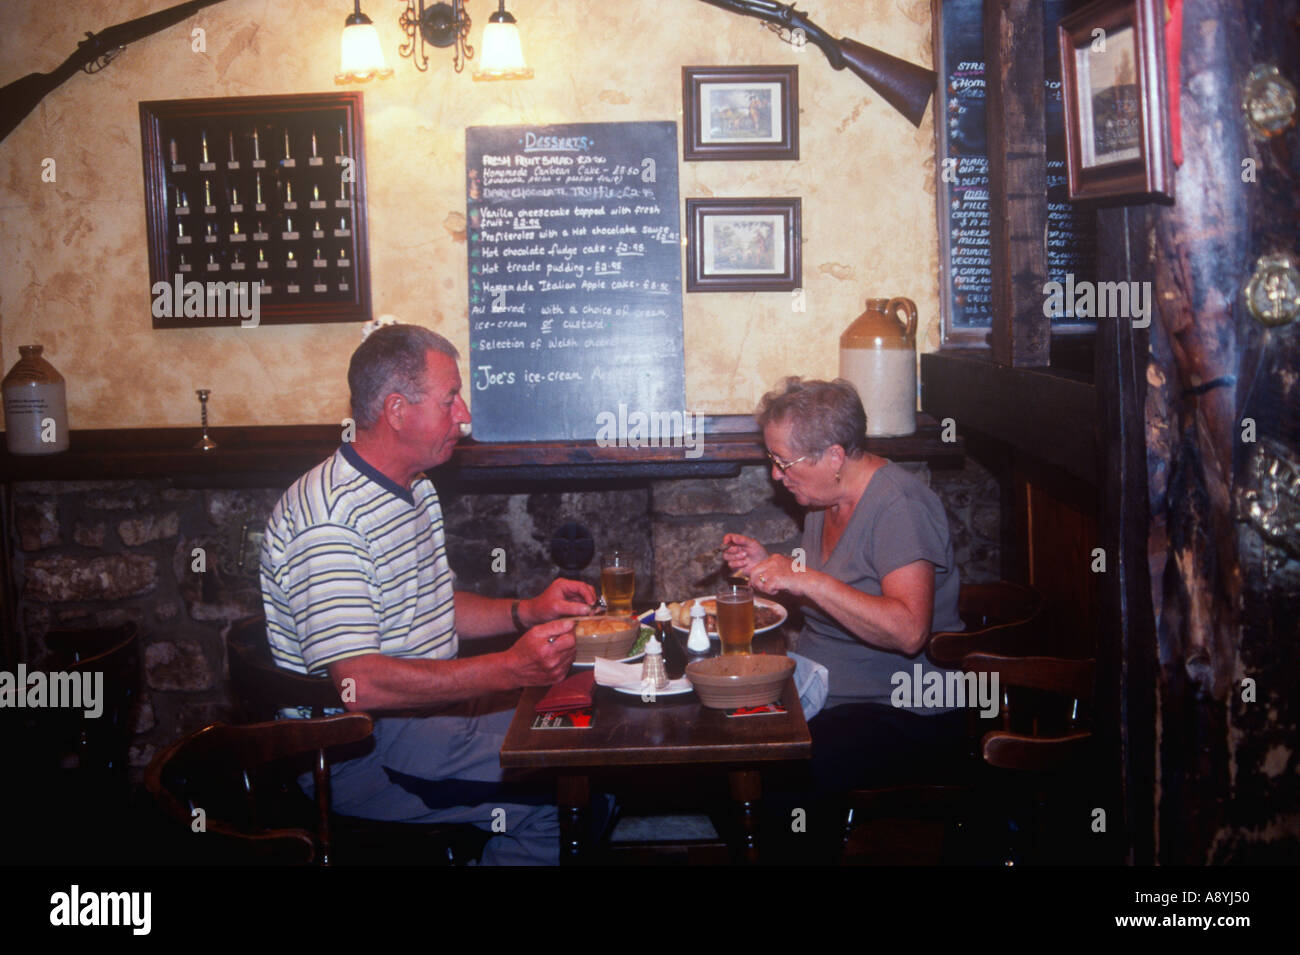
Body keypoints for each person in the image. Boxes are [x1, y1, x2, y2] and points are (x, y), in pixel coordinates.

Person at [259, 323, 596, 865]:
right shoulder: (330, 521)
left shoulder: (413, 487)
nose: (464, 416)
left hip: (427, 720)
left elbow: (430, 606)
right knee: (570, 797)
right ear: (397, 410)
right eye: (450, 399)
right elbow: (359, 686)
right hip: (360, 755)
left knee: (588, 744)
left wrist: (526, 611)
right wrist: (508, 671)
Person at [721, 377, 967, 841]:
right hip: (824, 692)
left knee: (780, 779)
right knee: (724, 748)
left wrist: (806, 580)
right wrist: (767, 562)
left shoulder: (899, 506)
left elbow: (909, 630)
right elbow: (833, 581)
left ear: (834, 455)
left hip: (903, 710)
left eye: (783, 462)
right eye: (772, 460)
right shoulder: (822, 499)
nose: (776, 474)